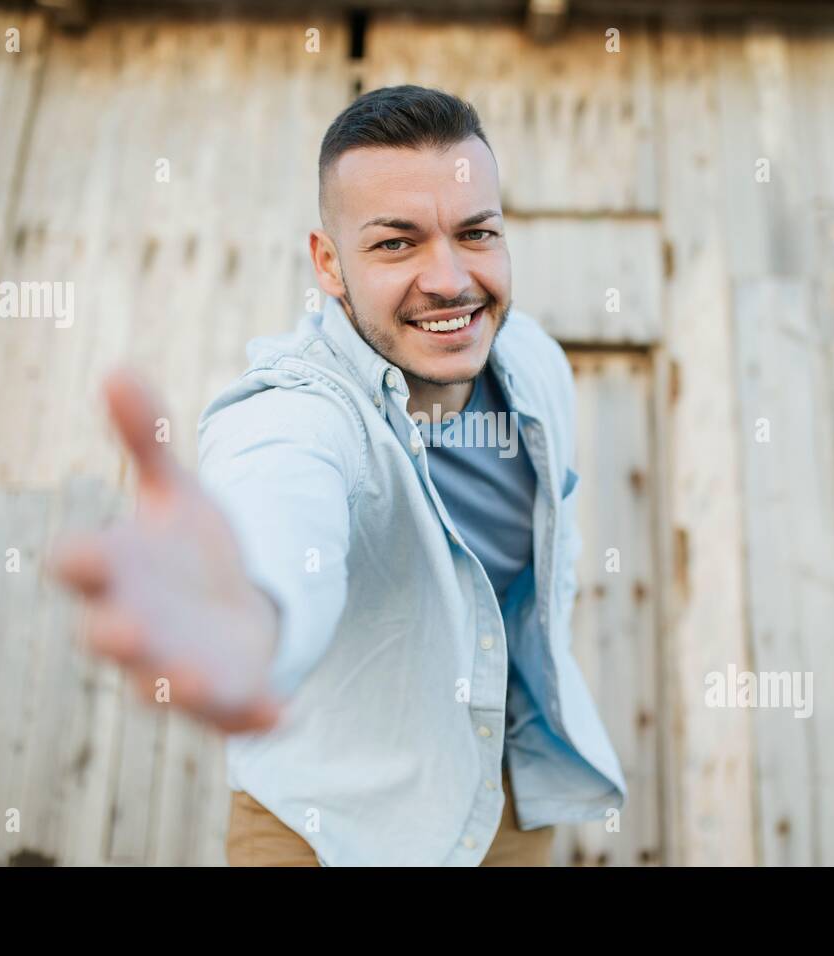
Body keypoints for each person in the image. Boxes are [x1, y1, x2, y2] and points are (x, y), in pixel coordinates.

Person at [51, 85, 627, 866]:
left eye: (476, 233)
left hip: (508, 809)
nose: (451, 279)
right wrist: (256, 617)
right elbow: (279, 511)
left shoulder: (537, 365)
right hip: (324, 830)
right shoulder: (299, 410)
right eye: (396, 244)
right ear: (329, 263)